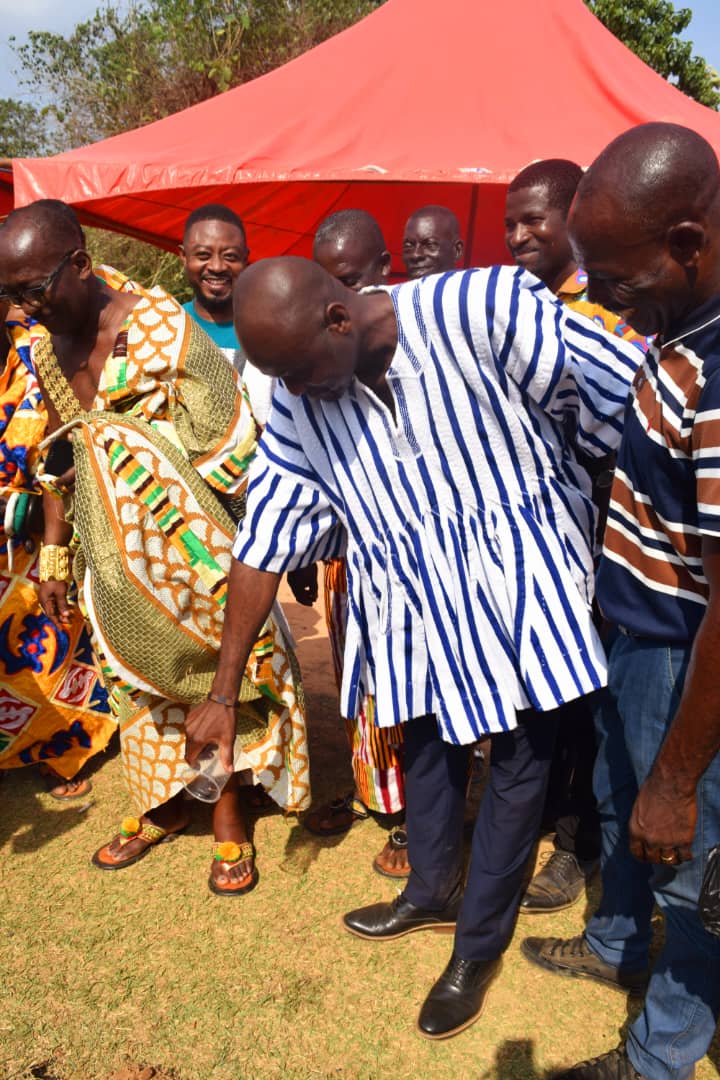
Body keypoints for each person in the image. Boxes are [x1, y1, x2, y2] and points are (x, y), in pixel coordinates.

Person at [183, 254, 640, 1038]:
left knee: (521, 764)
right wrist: (222, 695)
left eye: (298, 372)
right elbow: (264, 541)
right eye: (279, 380)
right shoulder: (299, 399)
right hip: (407, 601)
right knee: (424, 745)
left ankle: (476, 946)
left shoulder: (484, 308)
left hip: (523, 589)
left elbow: (622, 400)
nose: (292, 393)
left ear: (340, 317)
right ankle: (433, 889)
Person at [0, 199, 309, 897]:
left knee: (202, 671)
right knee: (132, 678)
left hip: (188, 546)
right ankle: (163, 800)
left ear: (79, 265)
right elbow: (61, 443)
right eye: (9, 295)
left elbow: (232, 447)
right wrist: (56, 552)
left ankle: (226, 812)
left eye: (31, 289)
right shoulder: (47, 345)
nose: (22, 309)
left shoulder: (163, 330)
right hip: (108, 553)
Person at [521, 122, 720, 1080]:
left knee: (691, 863)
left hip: (687, 656)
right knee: (618, 804)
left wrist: (682, 774)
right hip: (635, 634)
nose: (600, 302)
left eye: (618, 282)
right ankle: (610, 946)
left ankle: (661, 1054)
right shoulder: (677, 322)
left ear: (688, 241)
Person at [504, 159, 647, 915]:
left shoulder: (613, 318)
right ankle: (537, 822)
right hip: (535, 539)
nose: (520, 234)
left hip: (601, 537)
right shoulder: (509, 314)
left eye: (536, 218)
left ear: (577, 220)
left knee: (594, 698)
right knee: (542, 694)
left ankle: (577, 843)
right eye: (510, 223)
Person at [304, 208, 409, 879]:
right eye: (324, 284)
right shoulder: (319, 351)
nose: (333, 297)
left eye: (346, 279)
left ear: (382, 271)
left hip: (419, 559)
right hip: (348, 558)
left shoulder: (417, 350)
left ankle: (414, 819)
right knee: (361, 681)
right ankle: (386, 804)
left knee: (411, 686)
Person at [0, 302, 115, 794]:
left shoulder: (34, 349)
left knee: (47, 643)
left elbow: (55, 441)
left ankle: (61, 744)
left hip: (28, 525)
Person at [179, 203, 274, 424]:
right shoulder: (167, 329)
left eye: (230, 256)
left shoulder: (270, 331)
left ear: (245, 258)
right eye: (203, 255)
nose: (217, 266)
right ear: (183, 257)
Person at [401, 205, 463, 279]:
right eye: (408, 246)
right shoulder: (393, 290)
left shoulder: (474, 288)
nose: (415, 255)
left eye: (429, 245)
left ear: (457, 251)